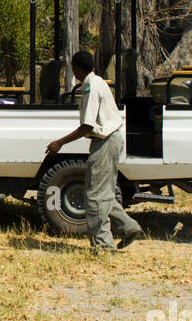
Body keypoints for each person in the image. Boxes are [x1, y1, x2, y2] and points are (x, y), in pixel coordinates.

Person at [45, 50, 143, 251]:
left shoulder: (91, 87)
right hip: (111, 139)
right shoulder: (99, 82)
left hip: (105, 141)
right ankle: (129, 227)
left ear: (78, 68)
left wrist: (60, 142)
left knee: (94, 196)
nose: (73, 71)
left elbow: (87, 126)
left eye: (73, 67)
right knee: (103, 192)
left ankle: (103, 245)